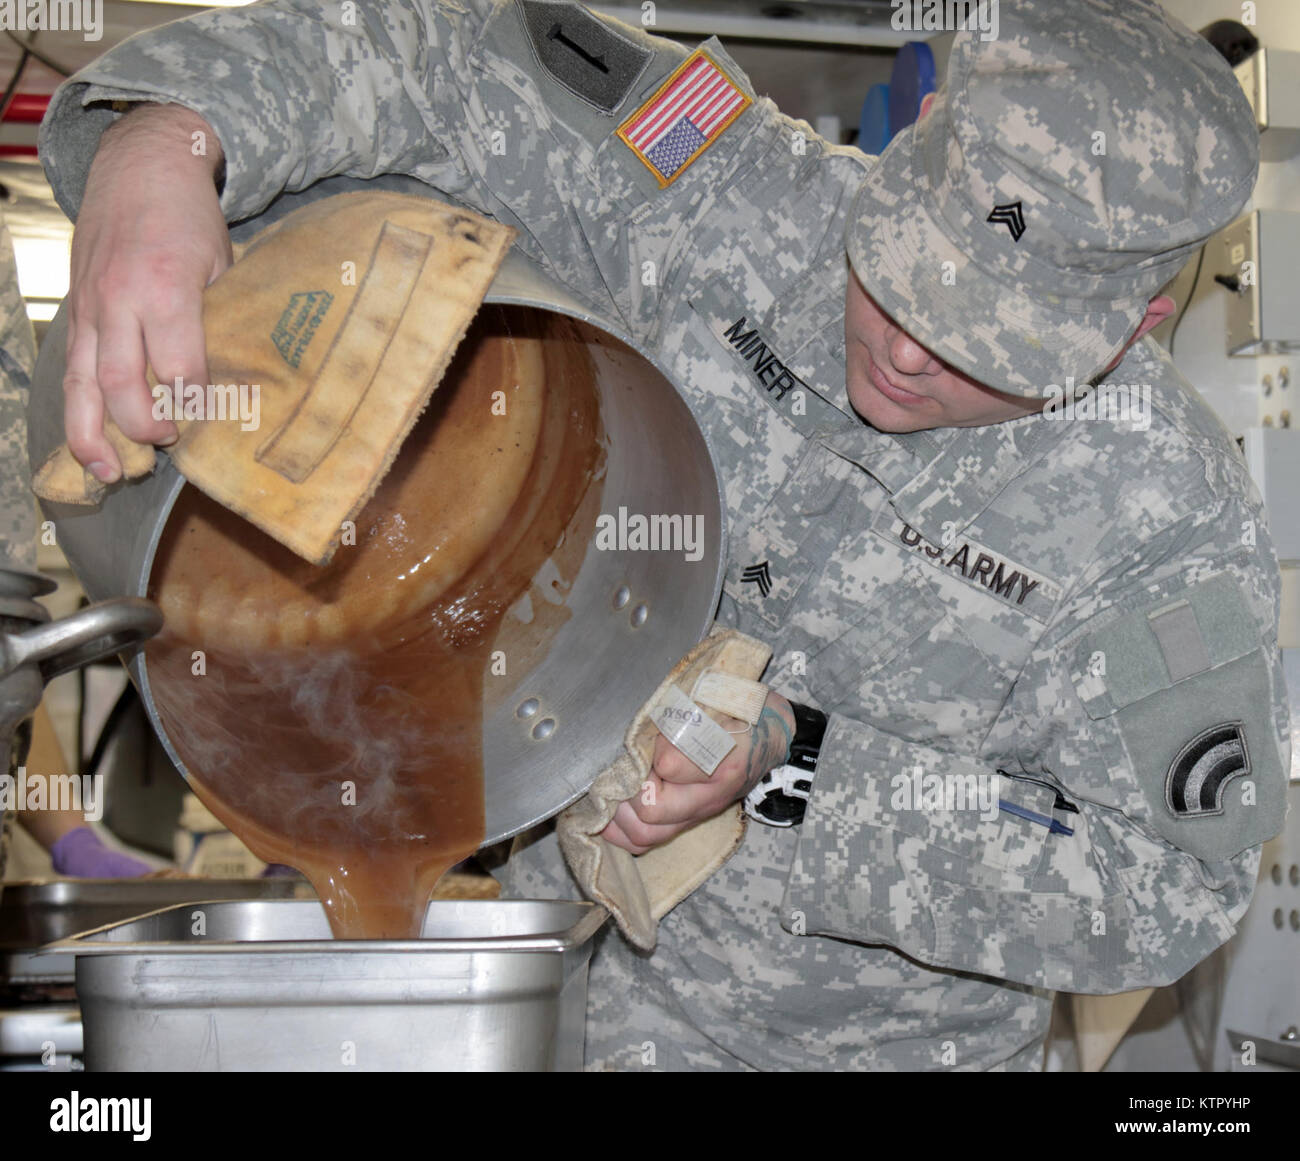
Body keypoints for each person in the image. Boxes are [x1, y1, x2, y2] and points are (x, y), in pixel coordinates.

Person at [36, 0, 1289, 1070]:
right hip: (551, 1023)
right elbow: (442, 48)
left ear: (1137, 323)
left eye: (984, 346)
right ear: (908, 152)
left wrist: (797, 771)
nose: (907, 351)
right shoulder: (731, 200)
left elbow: (1164, 884)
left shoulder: (1161, 520)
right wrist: (166, 146)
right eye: (900, 274)